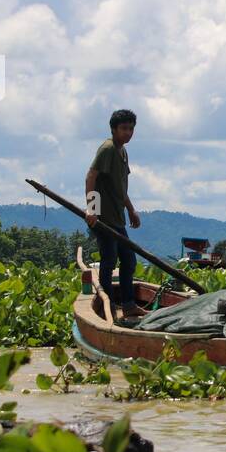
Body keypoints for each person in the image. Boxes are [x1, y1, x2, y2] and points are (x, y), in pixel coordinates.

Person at [85, 109, 145, 319]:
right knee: (109, 261)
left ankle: (128, 305)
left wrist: (131, 210)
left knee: (128, 261)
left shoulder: (122, 152)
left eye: (131, 129)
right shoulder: (107, 149)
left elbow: (120, 188)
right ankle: (106, 305)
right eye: (123, 128)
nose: (128, 133)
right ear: (114, 129)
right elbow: (90, 177)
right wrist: (92, 210)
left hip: (117, 218)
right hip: (104, 219)